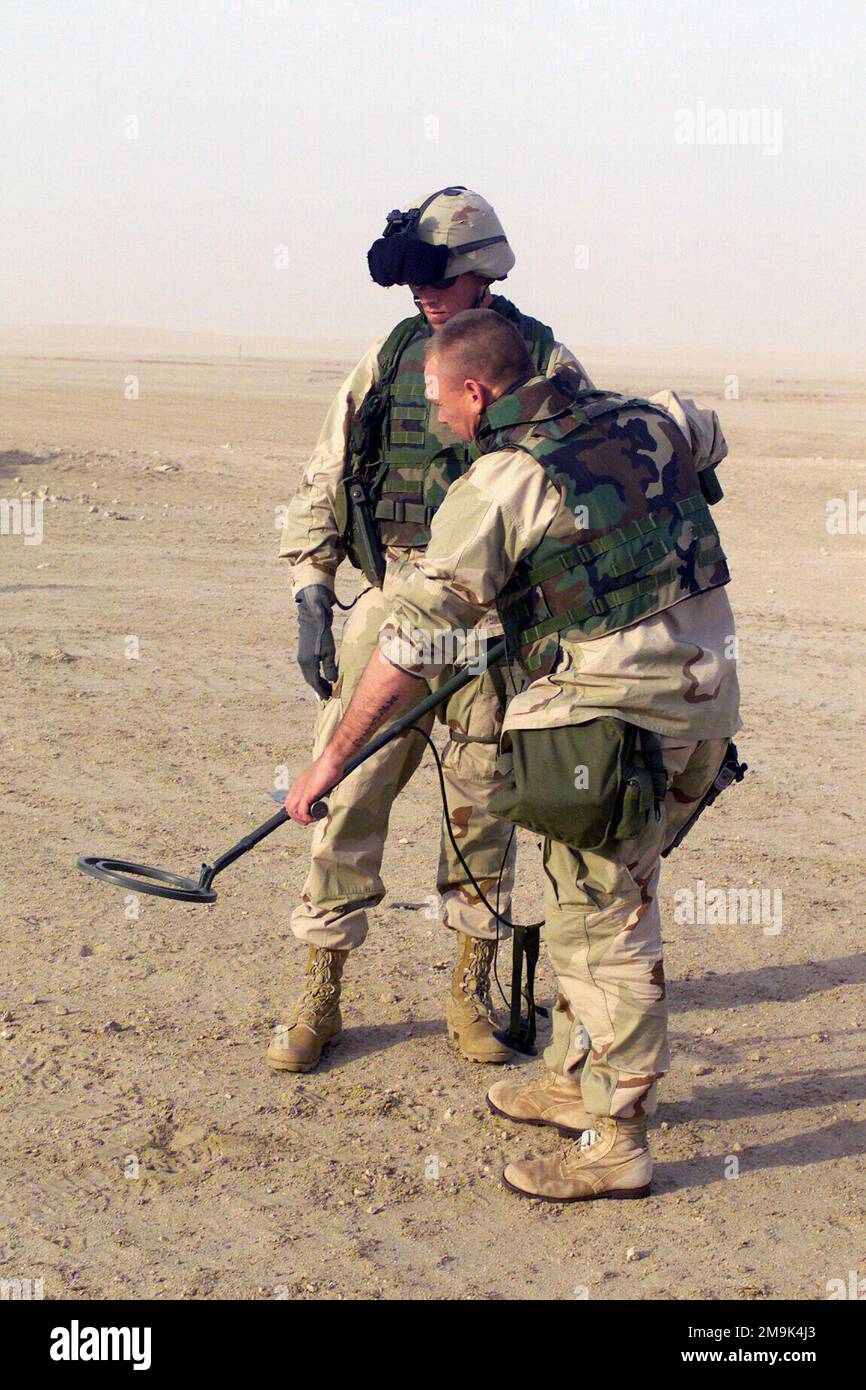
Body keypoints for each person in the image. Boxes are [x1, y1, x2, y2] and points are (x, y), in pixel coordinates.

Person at [284, 309, 741, 1201]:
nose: (435, 414)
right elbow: (711, 440)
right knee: (586, 905)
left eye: (437, 398)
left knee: (607, 925)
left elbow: (413, 643)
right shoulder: (656, 417)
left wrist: (329, 763)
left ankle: (617, 1143)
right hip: (706, 708)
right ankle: (574, 1083)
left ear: (478, 393)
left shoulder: (500, 485)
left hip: (608, 727)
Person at [272, 187, 592, 1073]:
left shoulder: (547, 362)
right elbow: (328, 472)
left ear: (484, 271)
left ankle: (470, 988)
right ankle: (320, 986)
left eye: (440, 279)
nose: (425, 296)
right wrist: (311, 583)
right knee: (345, 803)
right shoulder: (391, 356)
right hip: (390, 611)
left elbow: (581, 494)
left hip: (489, 631)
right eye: (416, 282)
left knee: (484, 814)